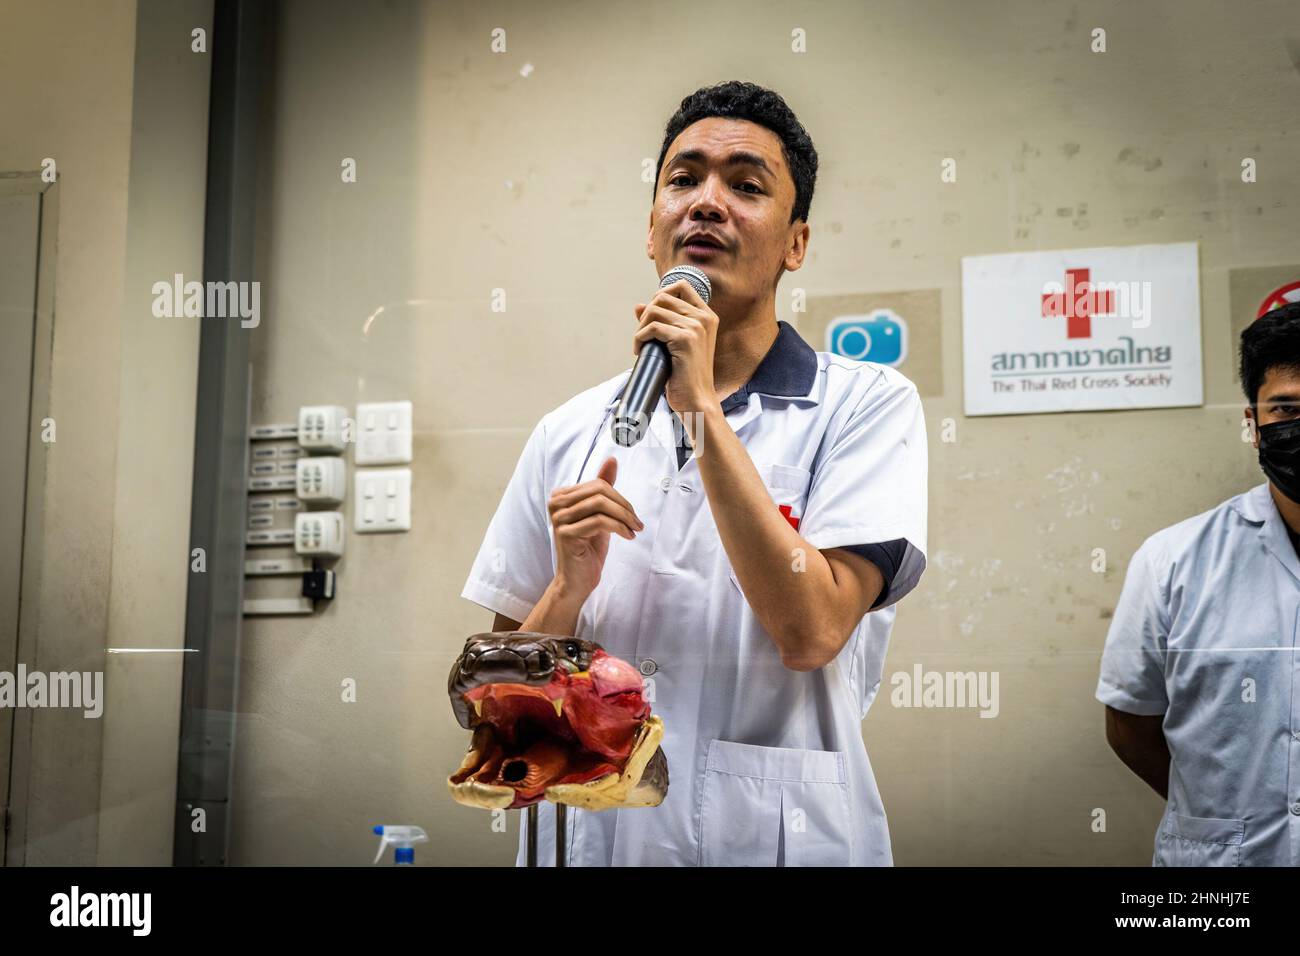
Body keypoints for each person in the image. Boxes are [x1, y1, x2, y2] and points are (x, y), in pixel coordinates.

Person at [461, 80, 928, 866]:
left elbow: (813, 632)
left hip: (771, 838)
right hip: (592, 838)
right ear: (652, 231)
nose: (707, 203)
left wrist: (700, 406)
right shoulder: (567, 429)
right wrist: (566, 592)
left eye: (746, 186)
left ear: (796, 243)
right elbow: (493, 709)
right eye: (683, 179)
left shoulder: (868, 405)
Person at [1097, 300, 1300, 865]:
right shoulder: (1174, 560)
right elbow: (1129, 722)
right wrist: (1212, 816)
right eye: (1286, 409)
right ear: (1252, 423)